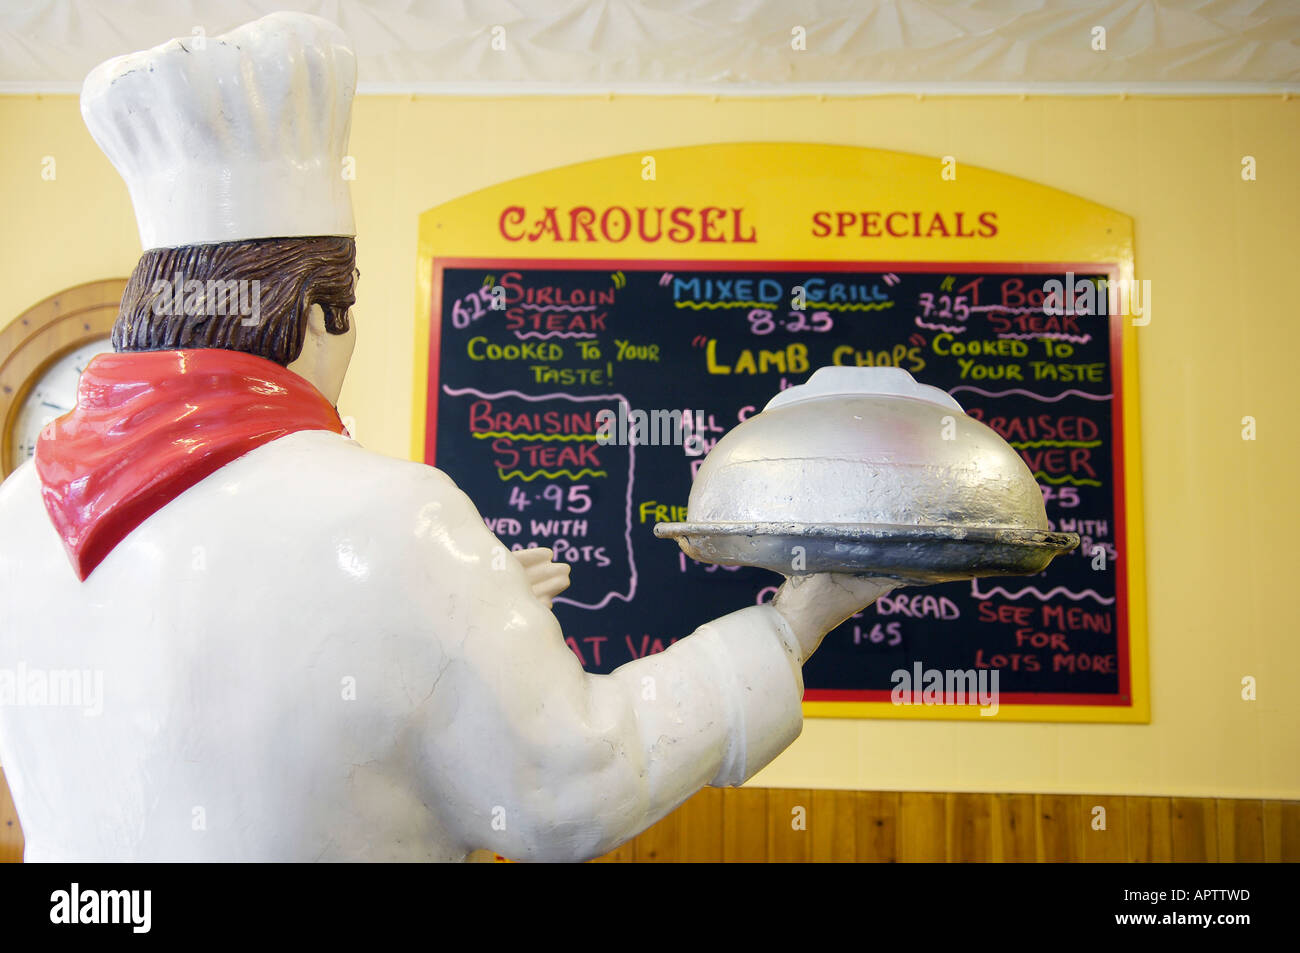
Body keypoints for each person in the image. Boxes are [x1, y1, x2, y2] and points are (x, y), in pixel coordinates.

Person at [0, 12, 892, 862]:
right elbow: (568, 788)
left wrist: (456, 626)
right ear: (318, 313)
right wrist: (795, 624)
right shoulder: (395, 520)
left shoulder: (12, 518)